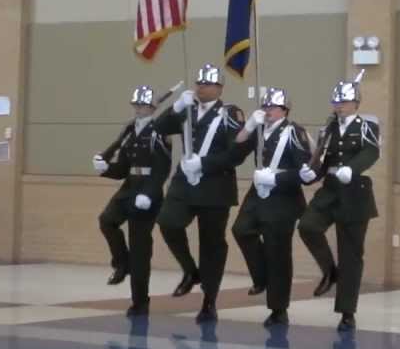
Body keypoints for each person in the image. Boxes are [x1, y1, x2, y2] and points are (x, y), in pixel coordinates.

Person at [152, 63, 245, 323]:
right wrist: (176, 108)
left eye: (206, 84)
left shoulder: (230, 114)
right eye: (198, 83)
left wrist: (205, 164)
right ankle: (190, 271)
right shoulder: (188, 110)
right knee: (168, 222)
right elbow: (159, 127)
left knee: (212, 244)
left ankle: (209, 300)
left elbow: (236, 153)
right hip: (185, 182)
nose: (200, 88)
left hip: (216, 186)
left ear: (219, 88)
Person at [297, 79, 380, 331]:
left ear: (355, 103)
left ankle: (347, 312)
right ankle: (329, 271)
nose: (339, 106)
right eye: (336, 102)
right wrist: (311, 173)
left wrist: (352, 169)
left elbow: (371, 152)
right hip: (331, 189)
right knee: (307, 226)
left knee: (351, 255)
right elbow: (321, 158)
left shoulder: (367, 126)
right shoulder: (328, 129)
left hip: (355, 192)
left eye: (344, 102)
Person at [230, 87, 312, 327]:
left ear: (284, 110)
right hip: (258, 193)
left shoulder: (294, 132)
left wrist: (276, 178)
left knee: (278, 253)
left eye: (272, 108)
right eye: (265, 107)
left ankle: (278, 309)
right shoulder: (260, 130)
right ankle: (261, 277)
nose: (267, 111)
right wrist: (248, 126)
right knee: (241, 230)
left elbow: (305, 172)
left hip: (283, 197)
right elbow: (237, 145)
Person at [93, 86, 172, 316]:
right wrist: (106, 168)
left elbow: (162, 167)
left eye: (142, 105)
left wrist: (149, 193)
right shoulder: (130, 128)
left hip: (148, 193)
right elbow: (123, 168)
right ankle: (121, 262)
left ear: (152, 108)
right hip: (129, 187)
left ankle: (140, 301)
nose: (137, 109)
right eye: (135, 105)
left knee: (140, 246)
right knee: (106, 221)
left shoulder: (160, 131)